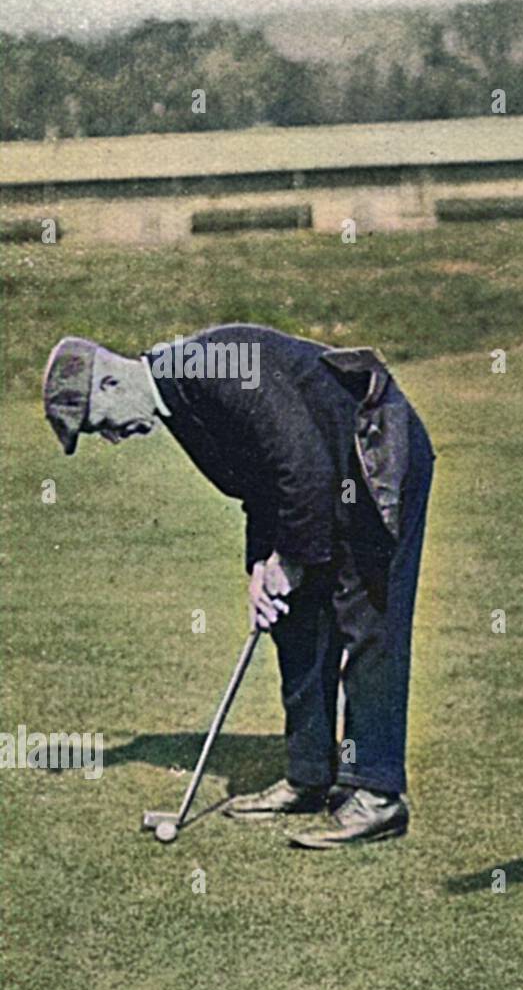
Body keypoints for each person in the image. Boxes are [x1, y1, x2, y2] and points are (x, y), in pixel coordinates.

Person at [42, 324, 434, 848]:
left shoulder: (207, 366)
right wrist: (260, 567)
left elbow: (303, 465)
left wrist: (289, 561)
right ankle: (308, 774)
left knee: (368, 621)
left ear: (110, 385)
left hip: (376, 453)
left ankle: (377, 794)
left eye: (99, 425)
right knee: (294, 620)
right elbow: (262, 482)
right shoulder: (176, 398)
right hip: (322, 480)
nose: (113, 438)